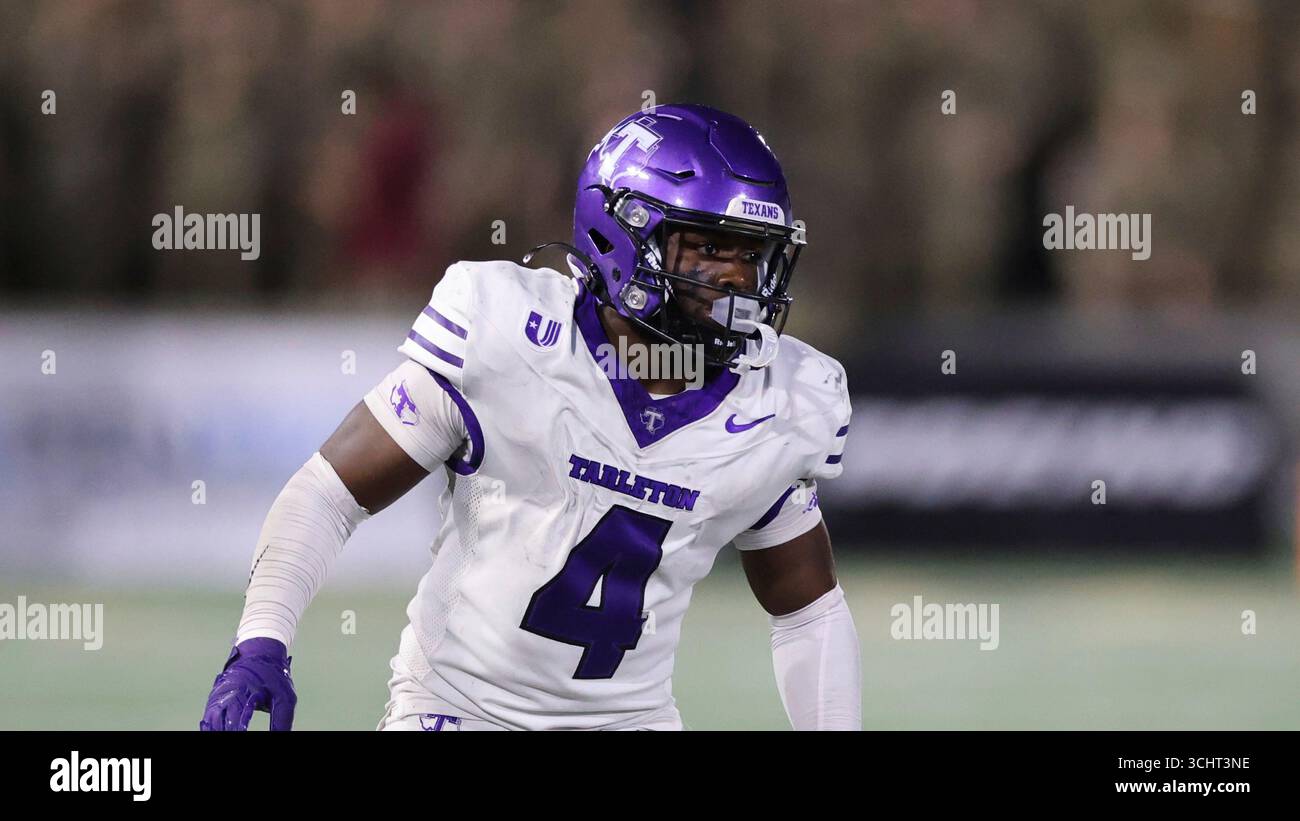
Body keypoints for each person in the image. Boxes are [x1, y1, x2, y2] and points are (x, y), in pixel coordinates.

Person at [200, 104, 860, 731]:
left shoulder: (776, 403)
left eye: (751, 253)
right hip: (460, 712)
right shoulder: (509, 335)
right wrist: (262, 640)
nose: (738, 280)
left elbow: (807, 609)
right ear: (622, 235)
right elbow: (330, 493)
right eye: (709, 249)